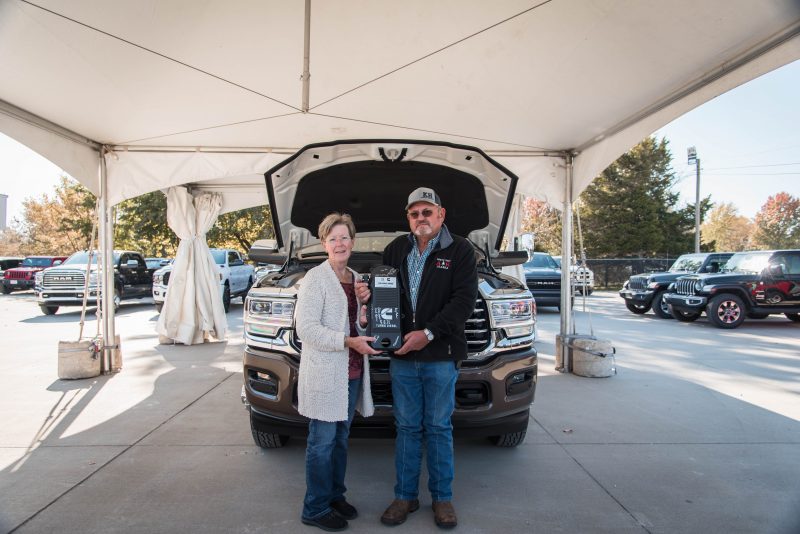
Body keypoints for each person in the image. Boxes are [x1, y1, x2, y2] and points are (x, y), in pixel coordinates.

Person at [356, 187, 478, 529]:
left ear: (441, 215)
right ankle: (405, 495)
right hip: (402, 357)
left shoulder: (460, 251)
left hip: (440, 354)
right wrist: (368, 298)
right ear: (408, 218)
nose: (421, 219)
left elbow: (463, 302)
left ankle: (442, 499)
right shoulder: (396, 249)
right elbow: (385, 295)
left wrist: (427, 334)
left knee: (438, 427)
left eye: (427, 212)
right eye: (414, 214)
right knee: (408, 427)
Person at [296, 212, 381, 532]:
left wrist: (364, 307)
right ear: (324, 243)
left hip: (353, 372)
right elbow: (306, 329)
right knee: (322, 441)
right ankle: (314, 507)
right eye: (333, 238)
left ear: (353, 242)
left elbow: (361, 324)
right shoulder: (314, 279)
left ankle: (334, 495)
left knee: (341, 439)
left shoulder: (357, 277)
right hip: (325, 374)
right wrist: (347, 341)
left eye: (344, 237)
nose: (339, 243)